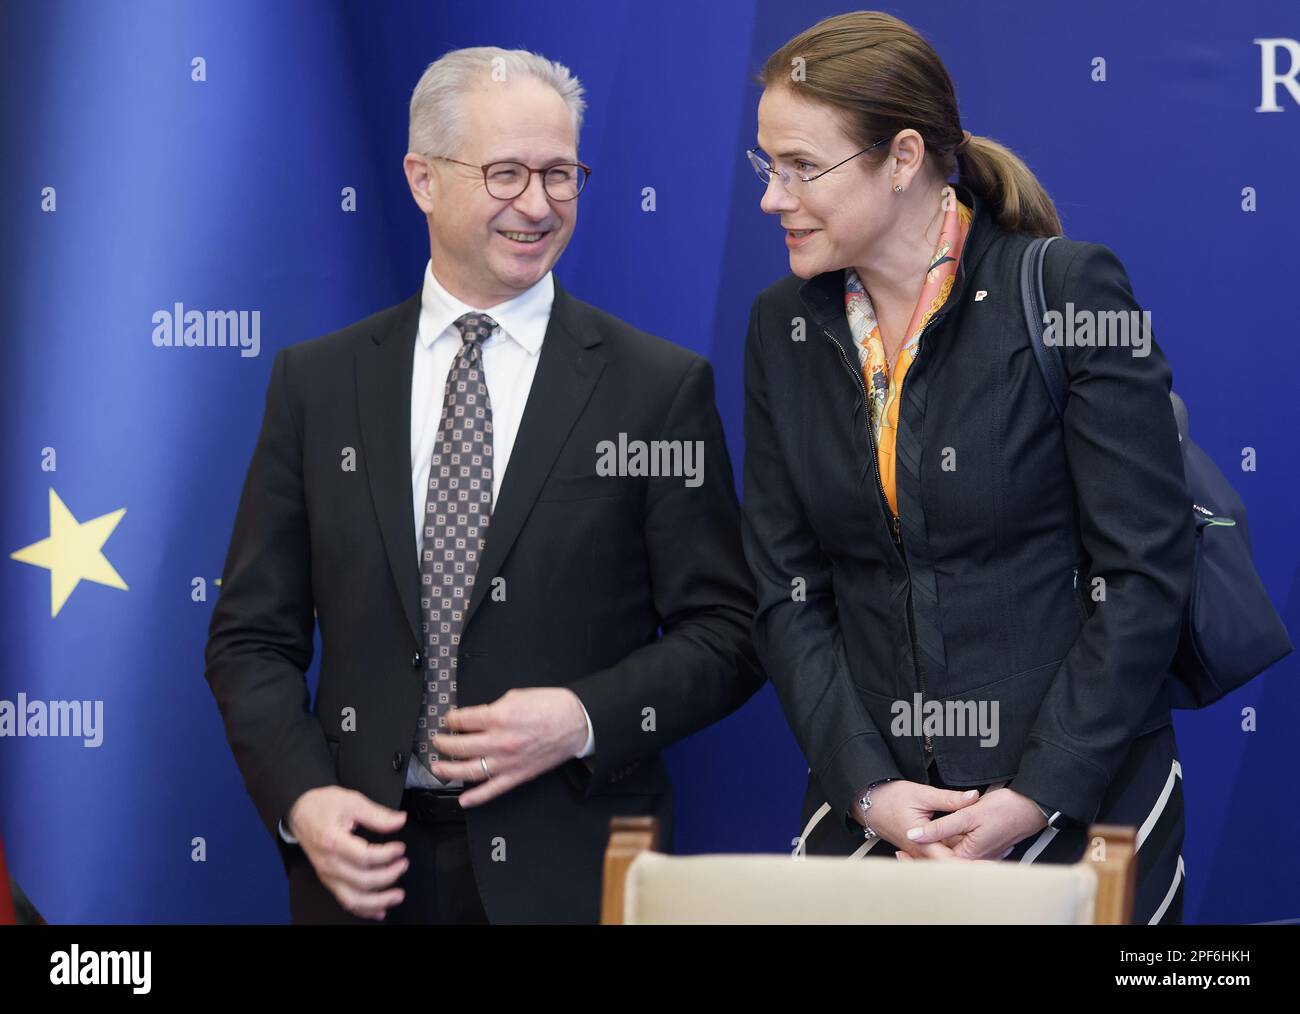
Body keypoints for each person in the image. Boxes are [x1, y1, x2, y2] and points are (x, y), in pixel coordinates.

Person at [205, 46, 761, 925]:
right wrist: (303, 799)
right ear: (423, 179)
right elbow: (249, 638)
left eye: (560, 174)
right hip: (363, 876)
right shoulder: (317, 386)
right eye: (506, 173)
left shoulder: (656, 389)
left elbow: (729, 632)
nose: (537, 205)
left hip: (569, 874)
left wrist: (580, 716)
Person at [741, 11, 1193, 923]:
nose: (772, 198)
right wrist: (870, 789)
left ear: (903, 157)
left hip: (1084, 807)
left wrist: (1035, 795)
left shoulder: (1068, 289)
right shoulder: (781, 327)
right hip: (879, 823)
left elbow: (1142, 572)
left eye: (801, 167)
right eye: (767, 167)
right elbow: (786, 593)